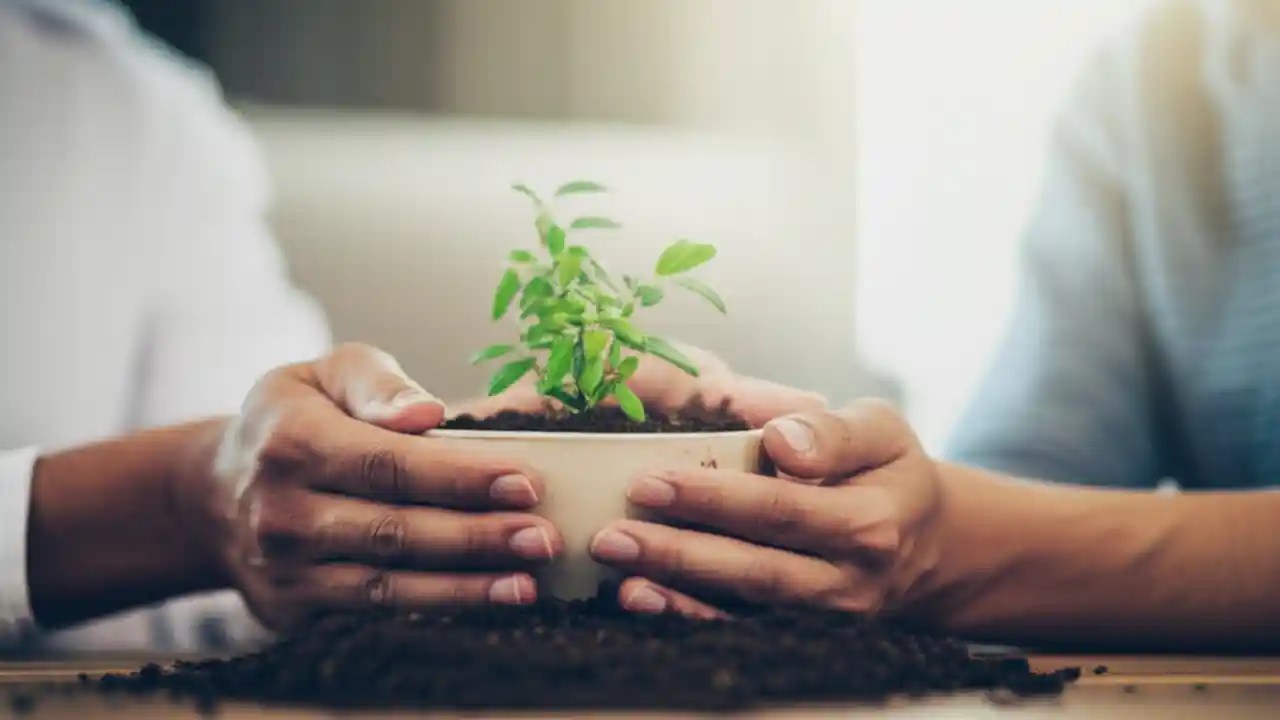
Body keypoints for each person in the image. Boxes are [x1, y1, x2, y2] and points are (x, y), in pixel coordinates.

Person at [0, 0, 824, 653]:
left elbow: (255, 527)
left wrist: (379, 489)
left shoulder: (127, 99)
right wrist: (183, 502)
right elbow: (218, 496)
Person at [585, 0, 1280, 650]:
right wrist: (797, 498)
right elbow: (1023, 479)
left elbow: (967, 542)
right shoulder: (1153, 78)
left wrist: (946, 548)